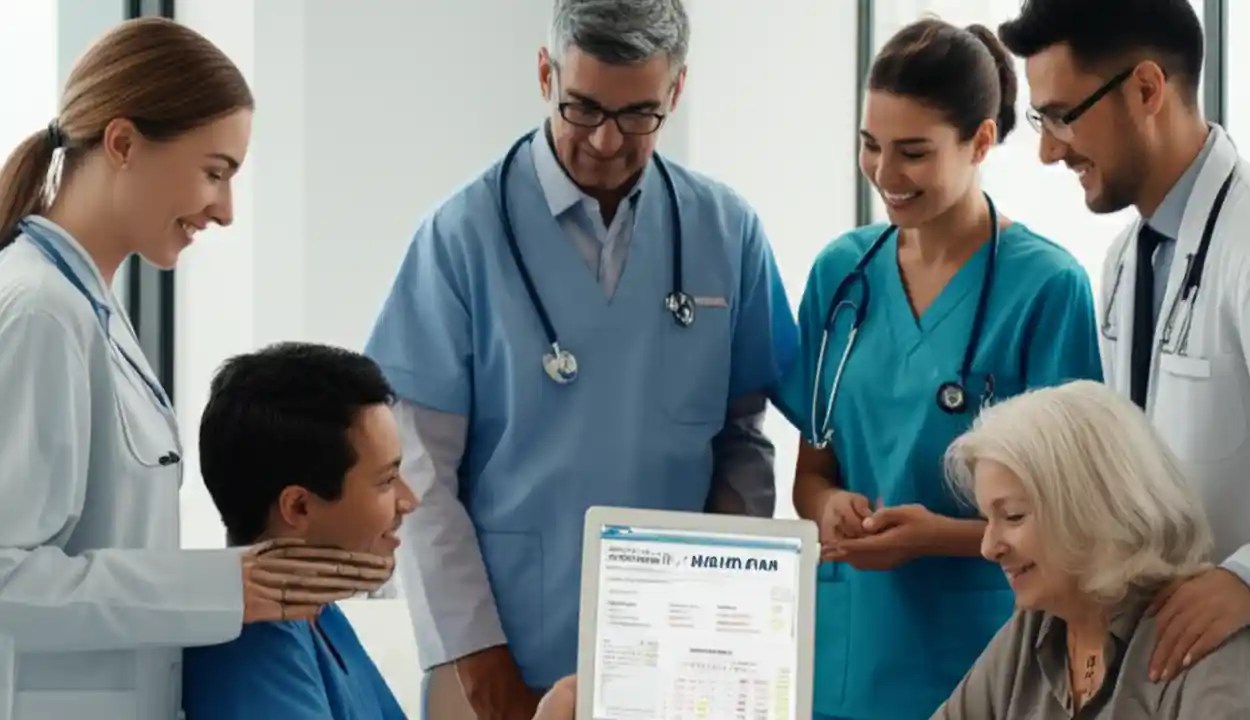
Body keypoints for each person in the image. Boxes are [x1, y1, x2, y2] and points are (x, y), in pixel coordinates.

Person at [363, 0, 798, 716]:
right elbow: (420, 476)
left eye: (637, 116)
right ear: (545, 74)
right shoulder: (462, 236)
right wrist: (485, 672)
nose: (604, 140)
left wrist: (722, 619)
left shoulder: (726, 231)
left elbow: (742, 441)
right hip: (501, 653)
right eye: (583, 107)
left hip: (672, 663)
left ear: (676, 92)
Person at [0, 18, 391, 720]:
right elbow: (4, 580)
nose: (226, 209)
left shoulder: (88, 309)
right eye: (215, 172)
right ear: (122, 144)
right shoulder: (41, 313)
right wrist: (225, 588)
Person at [775, 18, 1103, 720]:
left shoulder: (1046, 288)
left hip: (989, 660)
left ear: (981, 141)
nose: (885, 175)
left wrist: (940, 538)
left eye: (914, 153)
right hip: (845, 661)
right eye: (871, 146)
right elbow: (811, 474)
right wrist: (829, 507)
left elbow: (1074, 521)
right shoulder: (842, 273)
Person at [999, 0, 1250, 684]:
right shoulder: (1127, 259)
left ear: (1147, 89)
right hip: (1165, 668)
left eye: (1063, 115)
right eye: (1042, 119)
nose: (1048, 149)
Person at [935, 380, 1250, 718]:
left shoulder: (1201, 645)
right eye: (987, 519)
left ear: (1093, 509)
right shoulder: (1033, 628)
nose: (988, 547)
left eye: (1013, 516)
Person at [183, 342, 418, 719]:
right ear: (299, 506)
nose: (409, 500)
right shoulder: (252, 648)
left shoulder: (318, 615)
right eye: (387, 481)